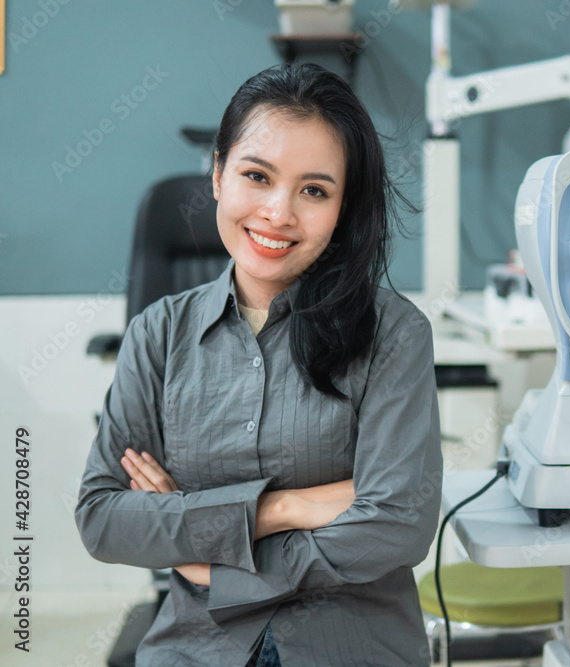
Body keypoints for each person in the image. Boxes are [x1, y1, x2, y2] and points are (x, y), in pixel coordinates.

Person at [75, 63, 442, 667]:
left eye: (314, 190)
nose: (278, 213)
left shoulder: (395, 333)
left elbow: (399, 521)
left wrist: (208, 557)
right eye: (257, 175)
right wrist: (280, 508)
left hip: (350, 645)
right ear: (218, 175)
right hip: (194, 648)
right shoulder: (157, 334)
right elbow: (104, 517)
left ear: (343, 206)